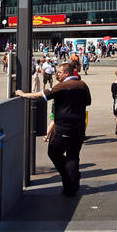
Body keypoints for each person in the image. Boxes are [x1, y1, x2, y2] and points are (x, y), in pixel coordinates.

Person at [14, 63, 91, 197]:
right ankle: (71, 185)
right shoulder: (82, 85)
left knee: (54, 152)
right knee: (73, 156)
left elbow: (41, 95)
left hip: (63, 127)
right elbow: (88, 102)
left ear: (67, 74)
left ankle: (69, 177)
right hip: (78, 127)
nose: (57, 74)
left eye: (60, 72)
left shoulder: (62, 86)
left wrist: (23, 94)